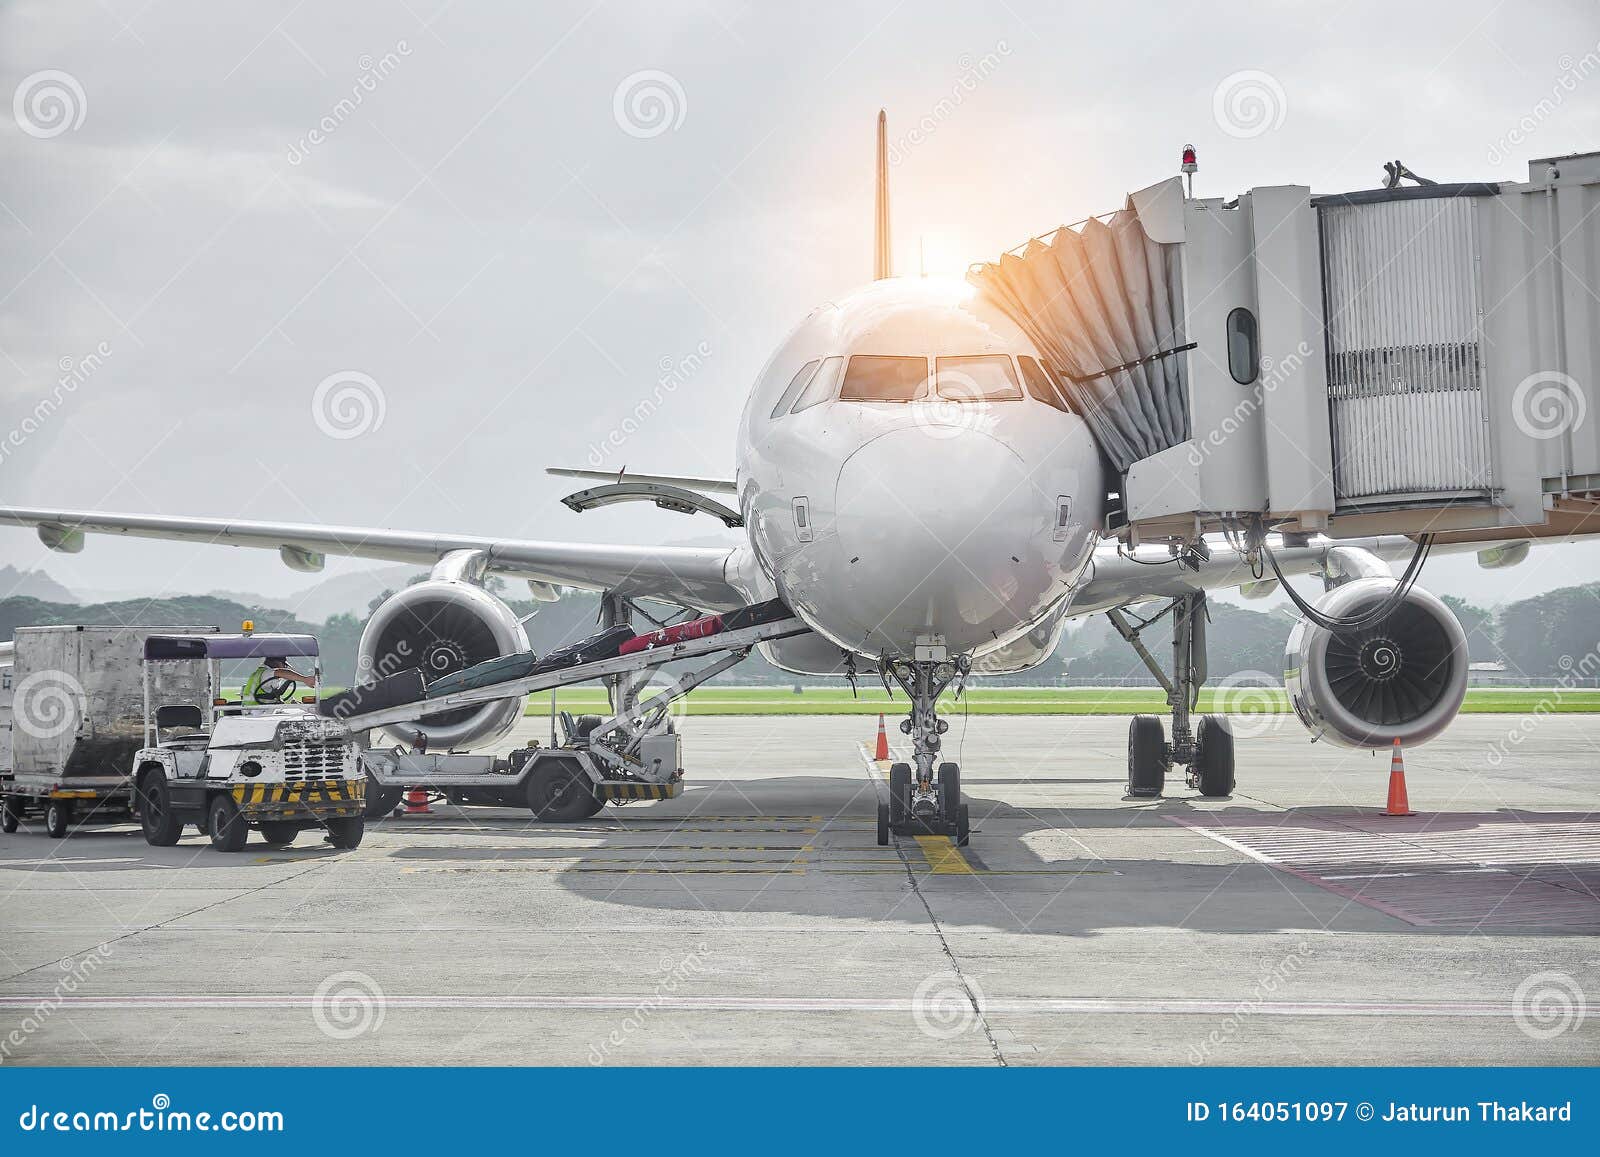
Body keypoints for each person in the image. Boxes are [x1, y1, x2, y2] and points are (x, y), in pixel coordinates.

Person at [243, 656, 315, 705]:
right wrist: (304, 679)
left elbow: (274, 694)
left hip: (257, 709)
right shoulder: (266, 673)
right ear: (278, 663)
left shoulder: (262, 674)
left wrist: (290, 701)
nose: (285, 667)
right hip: (257, 711)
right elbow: (280, 672)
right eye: (285, 665)